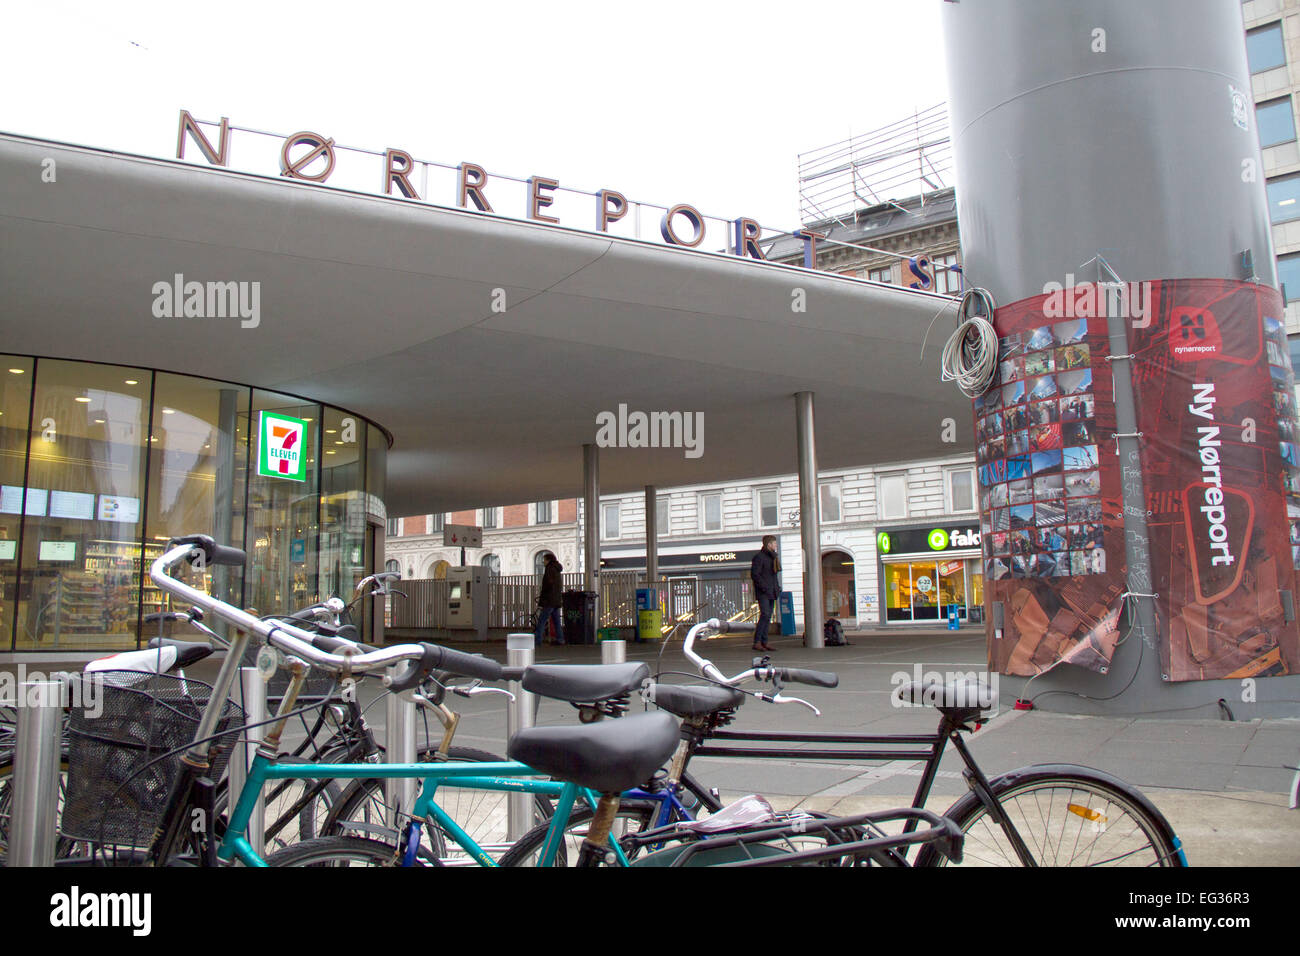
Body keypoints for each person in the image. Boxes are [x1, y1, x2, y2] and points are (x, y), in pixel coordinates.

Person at [750, 535, 781, 652]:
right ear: (769, 544)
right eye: (774, 543)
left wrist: (776, 588)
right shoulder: (759, 557)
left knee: (768, 616)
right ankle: (757, 641)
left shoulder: (773, 557)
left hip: (771, 591)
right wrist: (764, 587)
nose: (776, 545)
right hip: (764, 592)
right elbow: (755, 575)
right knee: (765, 614)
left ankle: (764, 641)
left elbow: (773, 576)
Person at [534, 552, 565, 647]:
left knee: (542, 621)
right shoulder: (557, 569)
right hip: (556, 600)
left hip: (549, 600)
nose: (543, 562)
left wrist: (542, 601)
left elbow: (547, 586)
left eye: (544, 560)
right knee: (556, 622)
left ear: (548, 560)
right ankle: (560, 639)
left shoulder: (549, 569)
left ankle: (537, 640)